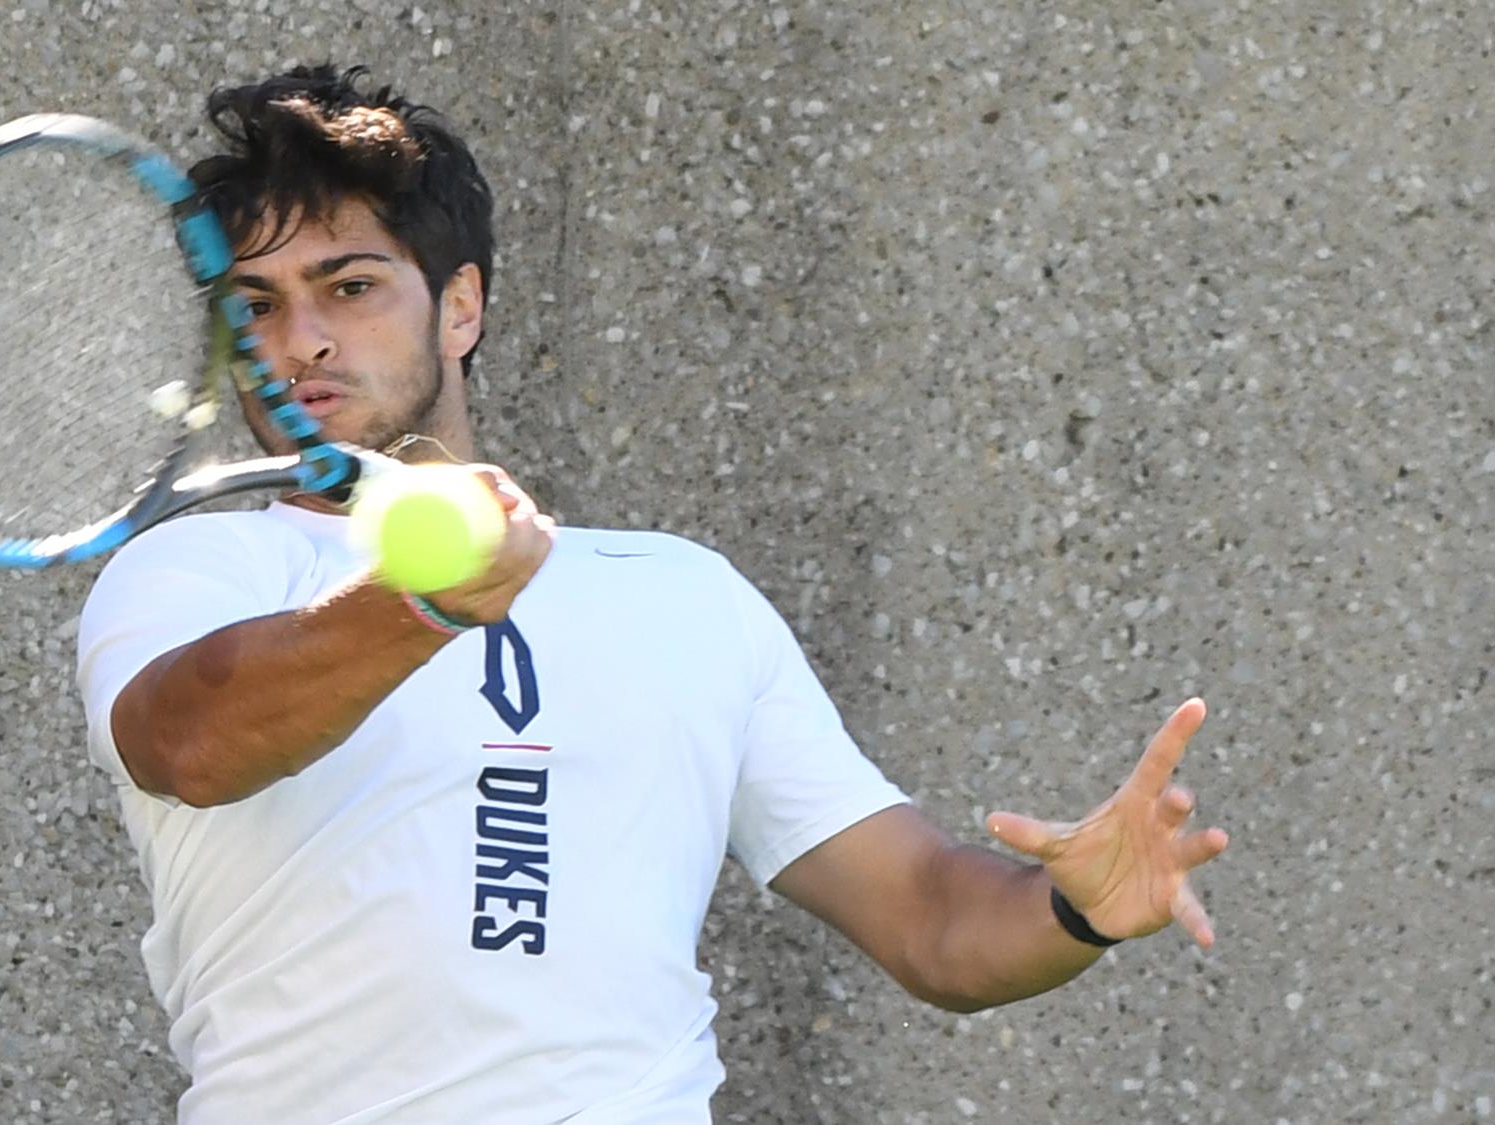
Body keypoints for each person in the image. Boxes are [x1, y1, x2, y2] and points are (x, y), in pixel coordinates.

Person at [76, 64, 1230, 1124]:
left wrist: (1073, 909)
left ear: (460, 306)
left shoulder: (683, 598)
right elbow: (193, 743)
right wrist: (426, 601)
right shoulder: (194, 569)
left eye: (350, 285)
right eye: (258, 305)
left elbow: (929, 918)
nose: (303, 339)